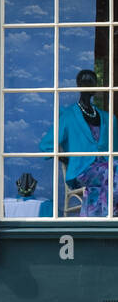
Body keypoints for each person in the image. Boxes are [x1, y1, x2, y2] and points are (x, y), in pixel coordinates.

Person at [40, 69, 114, 216]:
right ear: (79, 85)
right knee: (110, 173)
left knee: (110, 173)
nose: (90, 85)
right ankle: (101, 218)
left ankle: (101, 220)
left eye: (93, 82)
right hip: (82, 169)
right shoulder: (68, 116)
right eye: (86, 81)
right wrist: (68, 159)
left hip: (107, 167)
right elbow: (46, 145)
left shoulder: (106, 117)